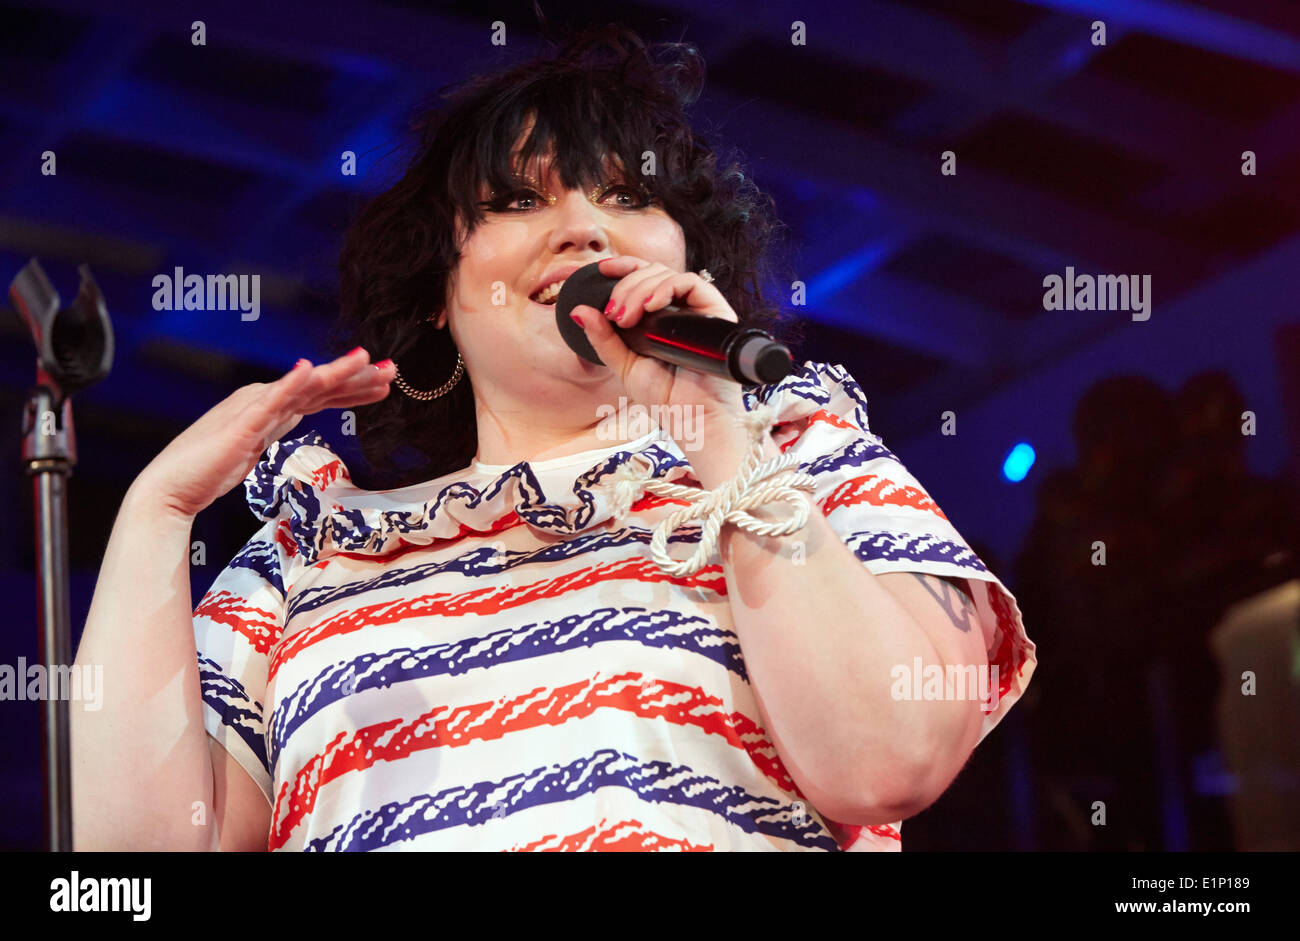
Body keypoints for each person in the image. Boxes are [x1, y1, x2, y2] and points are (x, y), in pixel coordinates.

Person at [71, 24, 1035, 852]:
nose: (584, 230)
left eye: (627, 196)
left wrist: (719, 444)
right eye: (521, 201)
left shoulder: (796, 448)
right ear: (439, 296)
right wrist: (155, 511)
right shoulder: (310, 550)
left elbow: (889, 762)